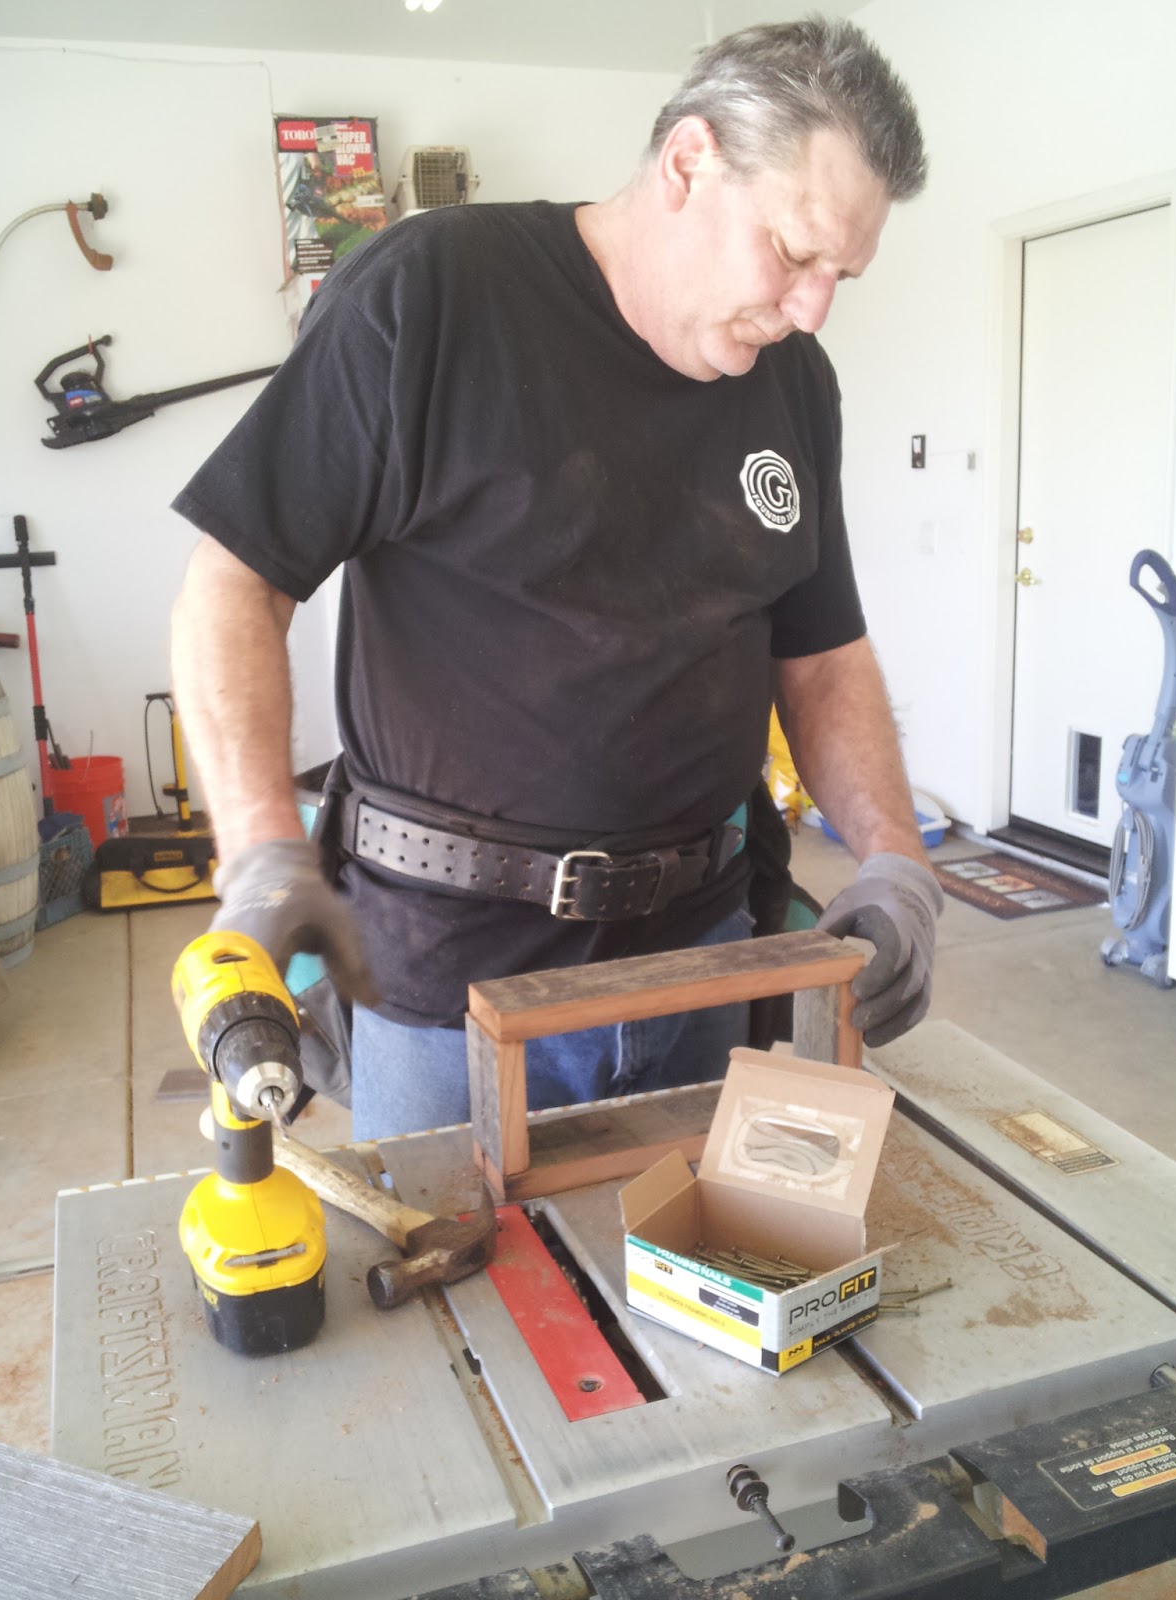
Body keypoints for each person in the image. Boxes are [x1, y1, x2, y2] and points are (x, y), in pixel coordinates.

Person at [170, 15, 944, 1139]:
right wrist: (259, 852)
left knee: (697, 1292)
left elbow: (820, 656)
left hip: (705, 970)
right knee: (470, 1305)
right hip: (449, 990)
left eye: (841, 273)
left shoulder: (795, 386)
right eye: (793, 250)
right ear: (688, 163)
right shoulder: (427, 300)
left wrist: (896, 861)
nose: (815, 306)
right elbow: (234, 581)